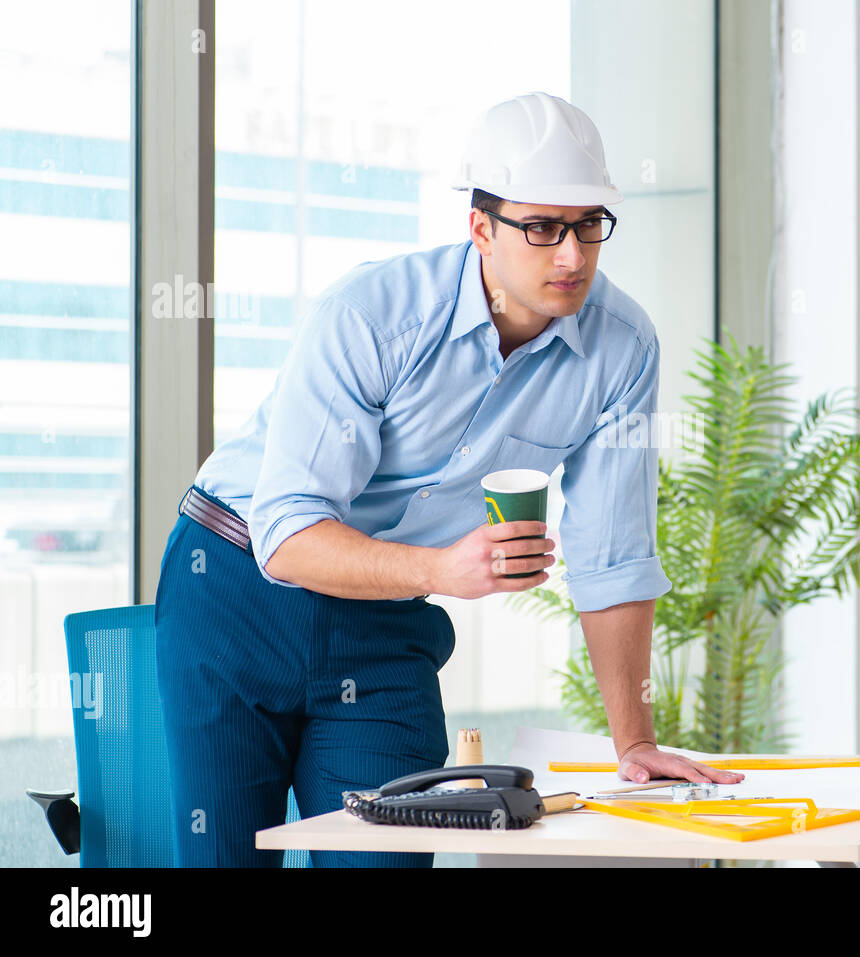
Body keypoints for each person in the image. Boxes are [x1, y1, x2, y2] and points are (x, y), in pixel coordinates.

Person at [154, 91, 742, 867]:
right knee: (223, 859)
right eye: (542, 228)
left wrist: (634, 741)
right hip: (235, 588)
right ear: (481, 228)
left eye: (589, 225)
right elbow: (288, 534)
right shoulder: (372, 315)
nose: (572, 256)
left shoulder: (622, 349)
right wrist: (443, 569)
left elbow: (615, 555)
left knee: (389, 858)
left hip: (383, 624)